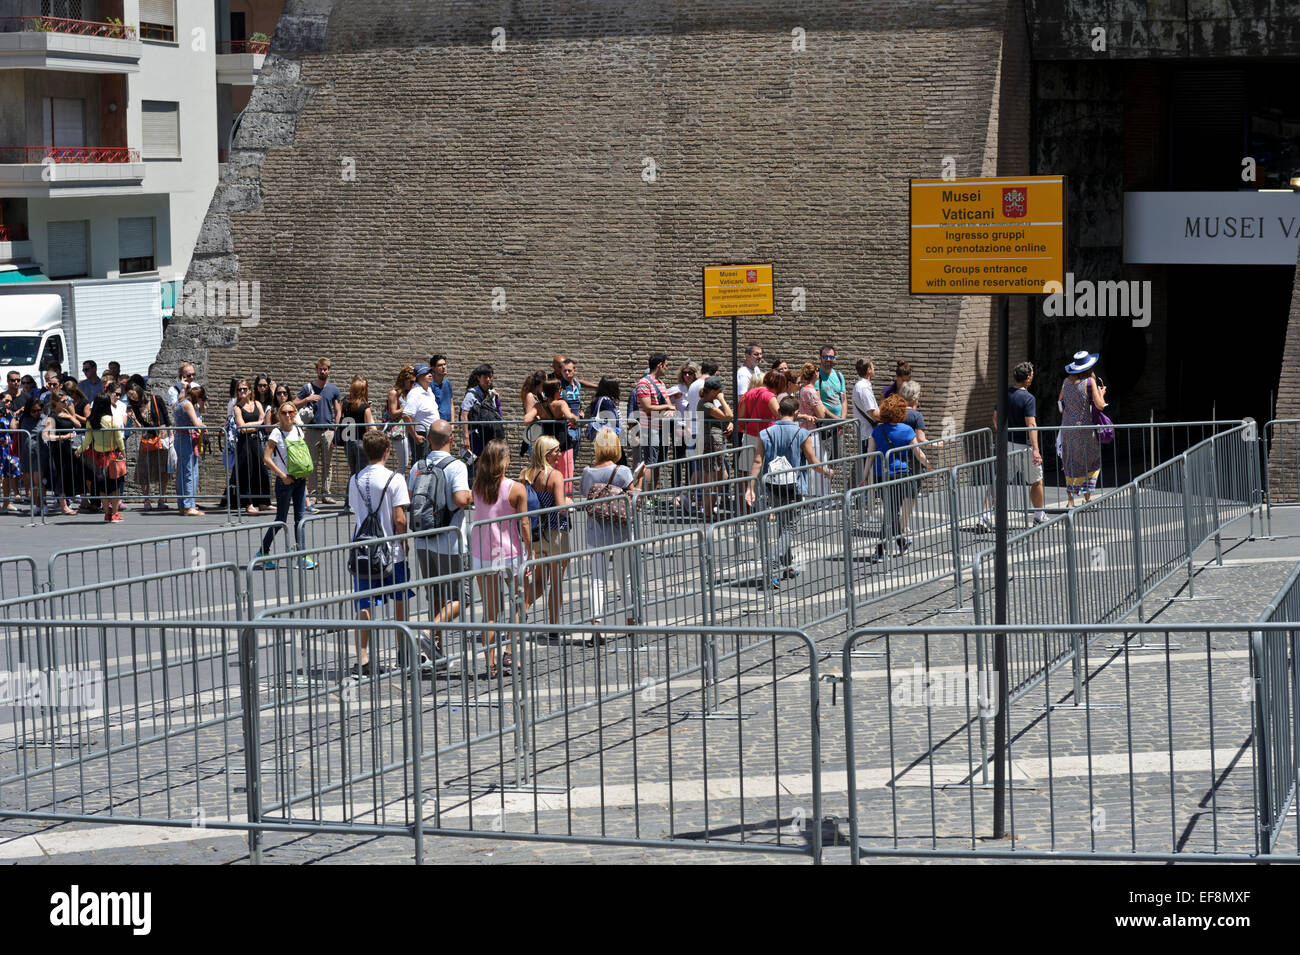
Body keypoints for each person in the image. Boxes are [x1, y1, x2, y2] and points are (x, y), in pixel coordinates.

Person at [745, 395, 832, 587]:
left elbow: (758, 461)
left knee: (783, 526)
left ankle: (788, 564)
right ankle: (774, 564)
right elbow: (813, 462)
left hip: (772, 485)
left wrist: (750, 487)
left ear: (779, 412)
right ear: (795, 413)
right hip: (794, 486)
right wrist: (827, 470)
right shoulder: (802, 434)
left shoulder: (765, 433)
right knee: (790, 527)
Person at [347, 430, 413, 675]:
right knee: (400, 599)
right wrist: (403, 542)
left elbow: (357, 512)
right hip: (390, 549)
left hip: (364, 549)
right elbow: (399, 519)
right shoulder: (395, 479)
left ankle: (363, 657)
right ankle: (402, 651)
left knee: (363, 602)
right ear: (387, 452)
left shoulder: (355, 479)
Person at [409, 420, 472, 667]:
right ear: (452, 437)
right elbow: (459, 498)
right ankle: (428, 632)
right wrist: (471, 495)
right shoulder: (456, 466)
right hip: (450, 540)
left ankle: (436, 653)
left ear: (429, 439)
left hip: (424, 540)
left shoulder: (418, 466)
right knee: (461, 598)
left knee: (435, 597)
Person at [469, 439, 533, 678]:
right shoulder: (516, 488)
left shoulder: (477, 487)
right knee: (519, 603)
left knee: (491, 611)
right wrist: (530, 550)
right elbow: (524, 523)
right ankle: (509, 649)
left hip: (483, 554)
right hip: (509, 553)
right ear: (503, 461)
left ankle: (491, 663)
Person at [975, 361, 1047, 530]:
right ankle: (1039, 516)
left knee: (999, 481)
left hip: (1006, 444)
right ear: (1028, 378)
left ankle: (983, 517)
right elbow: (1031, 424)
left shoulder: (1005, 393)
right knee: (1036, 481)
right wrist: (1036, 450)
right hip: (1024, 447)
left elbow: (995, 415)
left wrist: (1000, 434)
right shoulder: (1029, 398)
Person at [579, 428, 637, 638]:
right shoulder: (623, 471)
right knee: (626, 578)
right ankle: (631, 621)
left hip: (596, 532)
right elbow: (634, 497)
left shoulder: (588, 472)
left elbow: (586, 495)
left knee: (597, 579)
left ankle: (596, 624)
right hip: (621, 532)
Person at [866, 394, 930, 560]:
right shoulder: (907, 430)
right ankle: (880, 551)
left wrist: (865, 476)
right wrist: (928, 465)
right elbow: (918, 453)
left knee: (891, 511)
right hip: (901, 474)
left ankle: (901, 542)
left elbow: (870, 456)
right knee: (891, 513)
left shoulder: (877, 430)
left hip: (881, 475)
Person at [521, 435, 571, 639]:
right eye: (556, 450)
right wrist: (569, 501)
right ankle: (553, 625)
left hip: (535, 533)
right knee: (557, 581)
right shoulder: (555, 476)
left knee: (539, 582)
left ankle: (521, 612)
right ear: (547, 453)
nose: (559, 454)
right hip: (555, 532)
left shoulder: (526, 473)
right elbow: (560, 506)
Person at [256, 401, 316, 568]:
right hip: (285, 481)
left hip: (299, 480)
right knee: (280, 520)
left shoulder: (298, 431)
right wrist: (282, 475)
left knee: (300, 520)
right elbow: (266, 458)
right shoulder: (276, 433)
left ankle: (301, 556)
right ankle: (262, 552)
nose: (288, 415)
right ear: (279, 415)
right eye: (284, 412)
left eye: (291, 412)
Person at [1059, 350, 1107, 507]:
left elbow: (1060, 405)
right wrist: (1101, 393)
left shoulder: (1066, 382)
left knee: (1070, 462)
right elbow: (1100, 406)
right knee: (1090, 461)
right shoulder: (1089, 382)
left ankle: (1070, 501)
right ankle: (1087, 498)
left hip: (1067, 428)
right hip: (1085, 428)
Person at [296, 358, 343, 508]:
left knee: (327, 464)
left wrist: (335, 428)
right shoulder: (307, 388)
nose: (323, 371)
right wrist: (307, 399)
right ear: (316, 369)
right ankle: (314, 494)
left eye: (325, 369)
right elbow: (293, 404)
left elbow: (338, 410)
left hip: (328, 431)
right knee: (312, 464)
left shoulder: (334, 389)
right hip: (311, 431)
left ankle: (326, 493)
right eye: (320, 369)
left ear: (329, 370)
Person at [78, 394, 126, 522]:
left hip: (98, 459)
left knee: (103, 488)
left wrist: (79, 450)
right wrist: (123, 452)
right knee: (115, 487)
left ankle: (106, 513)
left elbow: (87, 440)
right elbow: (119, 440)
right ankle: (115, 514)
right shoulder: (112, 420)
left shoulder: (90, 421)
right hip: (112, 457)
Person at [693, 376, 734, 520]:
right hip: (711, 442)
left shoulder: (710, 402)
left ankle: (709, 509)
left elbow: (728, 418)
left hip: (714, 441)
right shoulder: (706, 404)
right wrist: (722, 399)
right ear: (714, 391)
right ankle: (708, 511)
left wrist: (730, 424)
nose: (721, 393)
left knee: (720, 476)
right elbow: (728, 415)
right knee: (714, 478)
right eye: (719, 391)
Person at [127, 384, 171, 512]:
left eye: (133, 394)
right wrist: (134, 420)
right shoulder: (134, 407)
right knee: (143, 470)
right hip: (146, 440)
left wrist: (171, 435)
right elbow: (141, 428)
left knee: (163, 470)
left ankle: (161, 499)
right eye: (129, 396)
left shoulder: (156, 399)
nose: (132, 398)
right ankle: (147, 500)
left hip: (161, 438)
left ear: (139, 391)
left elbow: (167, 419)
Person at [634, 353, 675, 489]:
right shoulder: (643, 383)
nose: (667, 369)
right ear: (660, 365)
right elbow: (647, 407)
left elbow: (669, 404)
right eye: (666, 366)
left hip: (662, 428)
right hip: (651, 428)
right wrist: (667, 407)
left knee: (659, 462)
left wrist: (670, 410)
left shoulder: (661, 383)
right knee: (650, 462)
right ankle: (645, 496)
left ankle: (653, 493)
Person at [231, 379, 268, 514]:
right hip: (244, 442)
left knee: (261, 470)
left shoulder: (257, 403)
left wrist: (252, 425)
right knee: (247, 471)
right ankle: (248, 503)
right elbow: (242, 428)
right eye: (239, 389)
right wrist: (258, 424)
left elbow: (264, 422)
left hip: (256, 441)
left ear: (250, 390)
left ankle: (264, 502)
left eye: (244, 389)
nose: (242, 391)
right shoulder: (237, 408)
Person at [798, 362, 833, 497]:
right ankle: (819, 496)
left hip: (805, 430)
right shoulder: (811, 391)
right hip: (812, 431)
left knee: (811, 462)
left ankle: (812, 495)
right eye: (817, 371)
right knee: (818, 461)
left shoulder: (802, 389)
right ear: (814, 374)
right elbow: (821, 414)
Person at [460, 363, 503, 470]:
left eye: (490, 377)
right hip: (475, 436)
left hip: (489, 435)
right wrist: (466, 438)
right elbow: (464, 415)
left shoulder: (491, 394)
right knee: (476, 466)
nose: (488, 379)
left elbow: (496, 413)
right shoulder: (471, 394)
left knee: (490, 465)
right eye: (485, 377)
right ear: (479, 378)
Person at [43, 391, 79, 515]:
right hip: (57, 449)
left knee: (67, 475)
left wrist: (69, 416)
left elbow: (78, 425)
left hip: (67, 448)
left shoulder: (66, 412)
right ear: (55, 402)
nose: (66, 403)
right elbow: (47, 436)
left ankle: (65, 503)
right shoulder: (51, 417)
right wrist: (64, 436)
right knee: (60, 477)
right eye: (63, 401)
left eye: (66, 400)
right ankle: (63, 506)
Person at [173, 383, 205, 516]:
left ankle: (182, 504)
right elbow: (197, 423)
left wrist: (183, 387)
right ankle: (188, 505)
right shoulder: (188, 404)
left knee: (182, 472)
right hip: (186, 439)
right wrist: (205, 425)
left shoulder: (180, 402)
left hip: (180, 438)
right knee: (189, 473)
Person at [401, 362, 440, 464]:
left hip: (431, 435)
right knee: (420, 466)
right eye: (426, 373)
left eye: (430, 372)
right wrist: (415, 436)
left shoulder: (430, 391)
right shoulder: (415, 393)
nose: (430, 374)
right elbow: (406, 416)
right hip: (422, 435)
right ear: (419, 377)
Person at [339, 374, 376, 479]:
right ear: (363, 391)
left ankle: (350, 495)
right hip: (361, 443)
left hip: (348, 443)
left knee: (353, 473)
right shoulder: (365, 408)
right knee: (362, 474)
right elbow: (371, 428)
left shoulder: (345, 405)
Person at [584, 377, 624, 467]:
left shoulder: (597, 399)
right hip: (609, 438)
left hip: (603, 438)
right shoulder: (606, 401)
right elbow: (613, 421)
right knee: (618, 464)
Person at [816, 345, 846, 461]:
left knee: (838, 456)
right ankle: (825, 479)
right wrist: (836, 420)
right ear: (820, 358)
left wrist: (841, 420)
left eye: (831, 357)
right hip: (825, 425)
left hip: (838, 425)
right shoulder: (817, 376)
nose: (828, 359)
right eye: (825, 356)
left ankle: (829, 479)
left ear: (835, 358)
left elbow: (843, 399)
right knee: (825, 457)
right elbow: (818, 403)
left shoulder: (839, 376)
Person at [384, 365, 416, 475]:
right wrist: (406, 409)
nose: (413, 385)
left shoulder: (406, 393)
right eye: (411, 382)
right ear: (404, 380)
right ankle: (398, 486)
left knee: (406, 461)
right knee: (404, 463)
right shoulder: (394, 393)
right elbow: (392, 414)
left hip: (406, 429)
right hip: (398, 430)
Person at [556, 358, 584, 482]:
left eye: (569, 370)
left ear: (574, 371)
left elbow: (578, 403)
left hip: (577, 427)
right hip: (564, 427)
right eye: (564, 371)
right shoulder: (559, 386)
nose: (566, 373)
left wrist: (580, 411)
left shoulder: (577, 385)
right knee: (564, 460)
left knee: (573, 459)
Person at [0, 394, 21, 513]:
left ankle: (6, 503)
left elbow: (14, 429)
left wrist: (13, 416)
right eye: (6, 401)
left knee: (8, 476)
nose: (9, 403)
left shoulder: (10, 415)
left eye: (10, 402)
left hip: (8, 450)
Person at [428, 355, 454, 423]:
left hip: (447, 423)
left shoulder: (447, 383)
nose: (443, 367)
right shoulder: (429, 385)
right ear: (433, 368)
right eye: (440, 365)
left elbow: (451, 405)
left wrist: (453, 423)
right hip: (434, 423)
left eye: (445, 364)